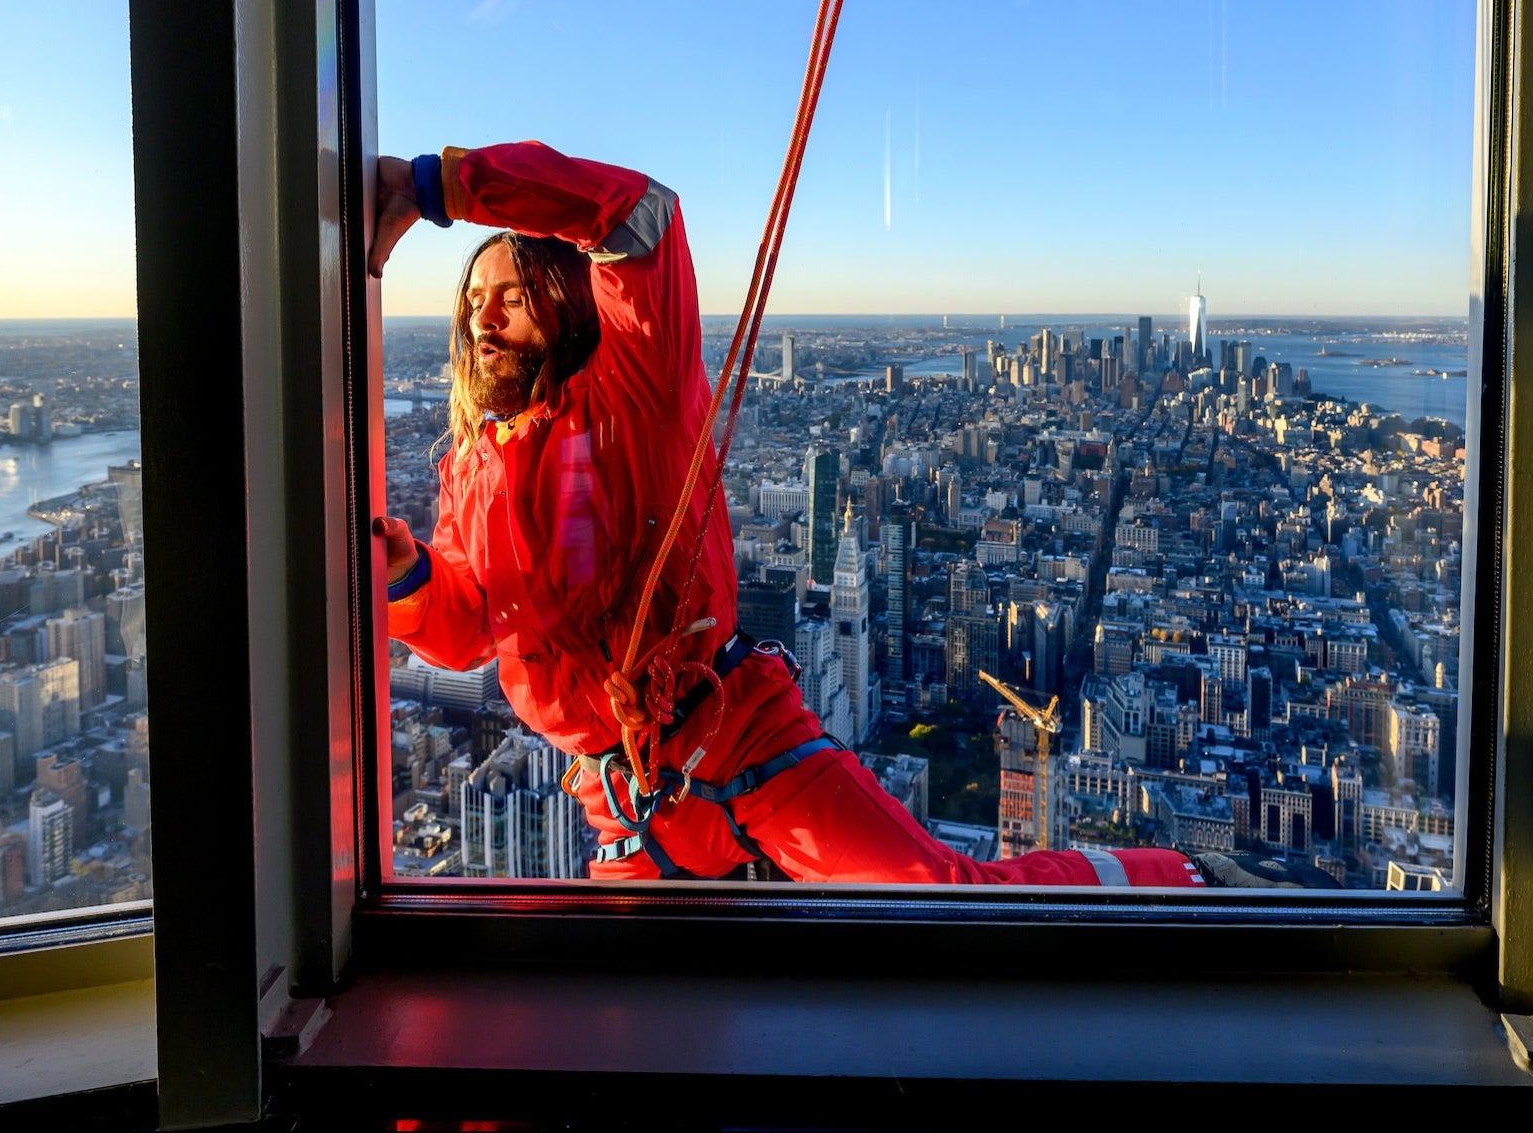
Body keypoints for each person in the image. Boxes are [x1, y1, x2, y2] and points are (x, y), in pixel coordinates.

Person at [368, 140, 1331, 890]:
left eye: (512, 294)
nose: (484, 317)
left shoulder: (635, 387)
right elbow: (471, 631)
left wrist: (439, 185)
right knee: (626, 1016)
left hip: (737, 731)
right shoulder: (471, 468)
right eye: (473, 305)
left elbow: (639, 214)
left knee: (938, 894)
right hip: (625, 800)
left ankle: (1177, 881)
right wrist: (411, 577)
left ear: (568, 304)